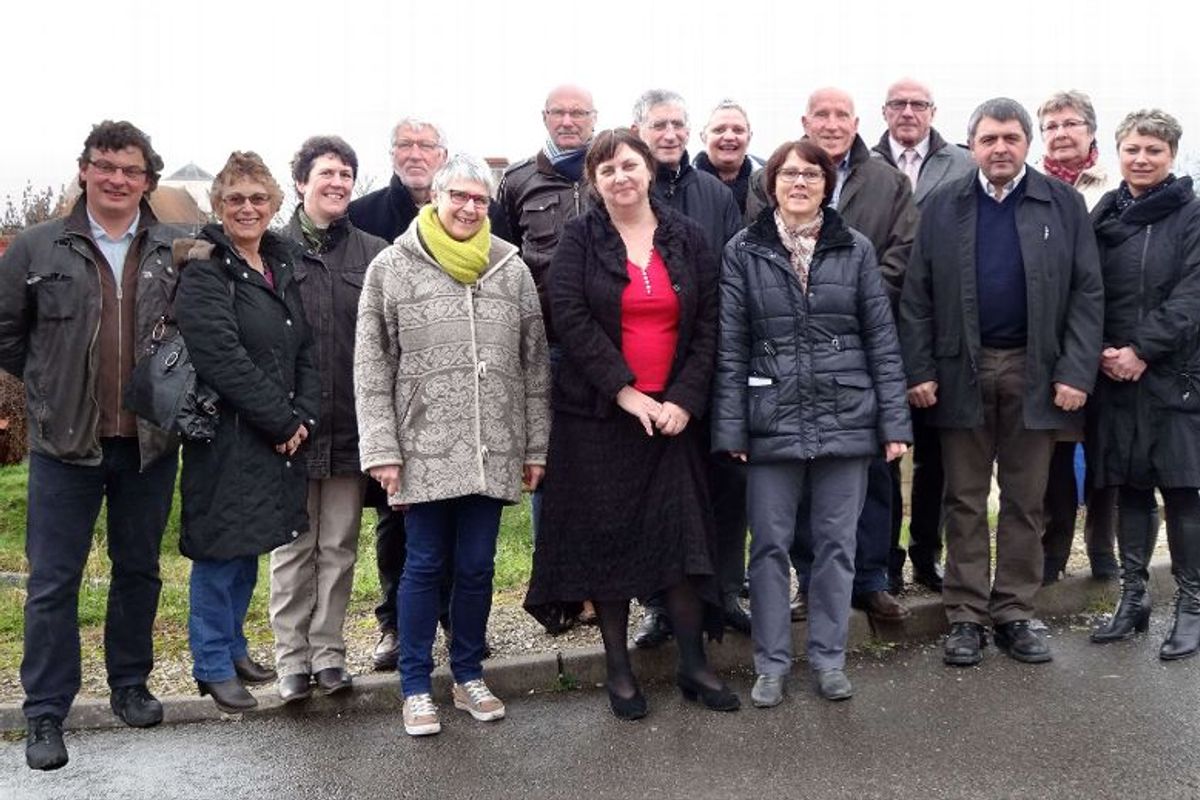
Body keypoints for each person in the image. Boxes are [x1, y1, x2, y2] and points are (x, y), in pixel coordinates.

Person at [524, 129, 739, 720]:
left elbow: (710, 325)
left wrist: (685, 400)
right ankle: (619, 674)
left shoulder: (687, 237)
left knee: (681, 540)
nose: (620, 177)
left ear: (647, 170)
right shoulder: (579, 239)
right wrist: (624, 390)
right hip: (598, 420)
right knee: (609, 544)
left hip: (673, 420)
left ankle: (694, 666)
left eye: (628, 165)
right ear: (594, 184)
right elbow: (567, 316)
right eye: (606, 171)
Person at [899, 98, 1103, 667]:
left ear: (1026, 143)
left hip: (1037, 372)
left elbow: (1088, 293)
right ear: (973, 145)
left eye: (1011, 138)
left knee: (1025, 499)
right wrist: (919, 371)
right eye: (988, 139)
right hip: (960, 368)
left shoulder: (1061, 204)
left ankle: (1015, 611)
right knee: (962, 500)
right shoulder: (942, 204)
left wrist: (1075, 372)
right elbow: (917, 296)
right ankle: (965, 615)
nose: (1000, 149)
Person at [0, 120, 179, 771]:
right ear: (84, 170)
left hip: (148, 446)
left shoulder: (170, 247)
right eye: (105, 165)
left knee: (139, 572)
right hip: (63, 449)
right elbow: (7, 336)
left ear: (147, 180)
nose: (117, 178)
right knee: (53, 584)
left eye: (131, 170)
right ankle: (45, 712)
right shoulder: (38, 248)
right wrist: (49, 393)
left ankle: (129, 683)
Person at [355, 154, 550, 737]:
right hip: (422, 448)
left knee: (476, 567)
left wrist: (534, 448)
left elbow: (535, 364)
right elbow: (371, 365)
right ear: (434, 200)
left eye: (479, 199)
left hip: (494, 446)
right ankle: (415, 686)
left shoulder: (509, 270)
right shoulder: (392, 268)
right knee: (423, 566)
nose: (469, 208)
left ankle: (468, 675)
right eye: (459, 196)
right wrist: (383, 451)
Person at [713, 139, 910, 705]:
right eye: (788, 174)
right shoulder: (743, 250)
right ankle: (771, 663)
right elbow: (732, 347)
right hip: (770, 418)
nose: (799, 183)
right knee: (770, 546)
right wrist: (733, 430)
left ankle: (828, 657)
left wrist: (893, 423)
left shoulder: (856, 248)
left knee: (835, 545)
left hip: (846, 415)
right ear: (771, 184)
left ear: (828, 185)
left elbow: (880, 338)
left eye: (811, 174)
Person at [751, 87, 918, 623]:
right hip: (793, 360)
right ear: (805, 121)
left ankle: (871, 578)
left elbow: (901, 252)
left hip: (861, 344)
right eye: (820, 114)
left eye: (840, 114)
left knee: (868, 475)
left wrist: (848, 297)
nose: (830, 122)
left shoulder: (887, 180)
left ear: (856, 121)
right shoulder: (782, 170)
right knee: (802, 480)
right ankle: (810, 581)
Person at [175, 152, 319, 713]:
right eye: (235, 198)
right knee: (219, 547)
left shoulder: (278, 264)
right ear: (218, 205)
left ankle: (233, 647)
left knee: (248, 544)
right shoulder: (206, 269)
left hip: (272, 432)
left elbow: (302, 345)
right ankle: (210, 664)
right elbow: (221, 357)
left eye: (258, 198)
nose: (248, 208)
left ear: (275, 203)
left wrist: (302, 415)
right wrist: (281, 421)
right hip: (226, 433)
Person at [269, 136, 388, 702]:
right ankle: (291, 660)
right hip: (285, 429)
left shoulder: (373, 252)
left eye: (346, 173)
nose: (337, 182)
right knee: (292, 547)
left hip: (350, 426)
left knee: (339, 545)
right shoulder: (269, 249)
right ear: (300, 182)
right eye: (326, 173)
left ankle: (330, 655)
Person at [630, 88, 749, 646]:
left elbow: (730, 277)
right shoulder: (627, 188)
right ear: (639, 131)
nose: (671, 134)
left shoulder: (712, 194)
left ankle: (724, 593)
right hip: (649, 374)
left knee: (723, 483)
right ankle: (658, 604)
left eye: (679, 123)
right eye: (660, 125)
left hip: (710, 363)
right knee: (654, 494)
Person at [1087, 109, 1200, 659]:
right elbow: (1087, 288)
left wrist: (1141, 350)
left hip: (1173, 376)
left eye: (1154, 149)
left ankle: (1192, 606)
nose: (1142, 158)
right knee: (1129, 487)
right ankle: (1133, 601)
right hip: (1113, 376)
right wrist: (1103, 352)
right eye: (1133, 148)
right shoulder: (1105, 213)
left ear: (1172, 155)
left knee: (1182, 491)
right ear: (1118, 152)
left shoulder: (1193, 216)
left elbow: (1192, 296)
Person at [495, 85, 598, 629]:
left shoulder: (610, 169)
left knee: (600, 465)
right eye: (558, 112)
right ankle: (559, 586)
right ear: (544, 118)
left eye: (578, 112)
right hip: (546, 343)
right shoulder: (516, 182)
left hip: (604, 347)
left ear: (594, 119)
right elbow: (504, 263)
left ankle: (604, 582)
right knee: (549, 466)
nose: (568, 120)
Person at [347, 117, 448, 670]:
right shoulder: (364, 217)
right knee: (395, 515)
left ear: (443, 153)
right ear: (391, 153)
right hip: (396, 390)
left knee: (457, 517)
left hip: (455, 389)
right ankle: (393, 625)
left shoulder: (473, 208)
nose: (415, 153)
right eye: (405, 145)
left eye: (425, 145)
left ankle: (456, 621)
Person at [872, 78, 975, 595]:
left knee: (936, 454)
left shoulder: (962, 163)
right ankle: (886, 561)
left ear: (933, 110)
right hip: (879, 329)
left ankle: (926, 555)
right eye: (898, 104)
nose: (908, 112)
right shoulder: (863, 164)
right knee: (888, 454)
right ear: (884, 111)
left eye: (918, 104)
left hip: (941, 329)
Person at [1036, 90, 1121, 583]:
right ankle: (1054, 550)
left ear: (1091, 130)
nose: (1062, 133)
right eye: (1051, 125)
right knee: (1057, 450)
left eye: (1071, 123)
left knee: (1105, 445)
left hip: (1110, 335)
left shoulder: (1113, 185)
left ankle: (1102, 547)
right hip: (1053, 340)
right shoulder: (1032, 186)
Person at [694, 99, 764, 218]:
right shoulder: (681, 184)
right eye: (719, 130)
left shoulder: (771, 183)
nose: (729, 137)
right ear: (703, 137)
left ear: (749, 137)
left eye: (738, 130)